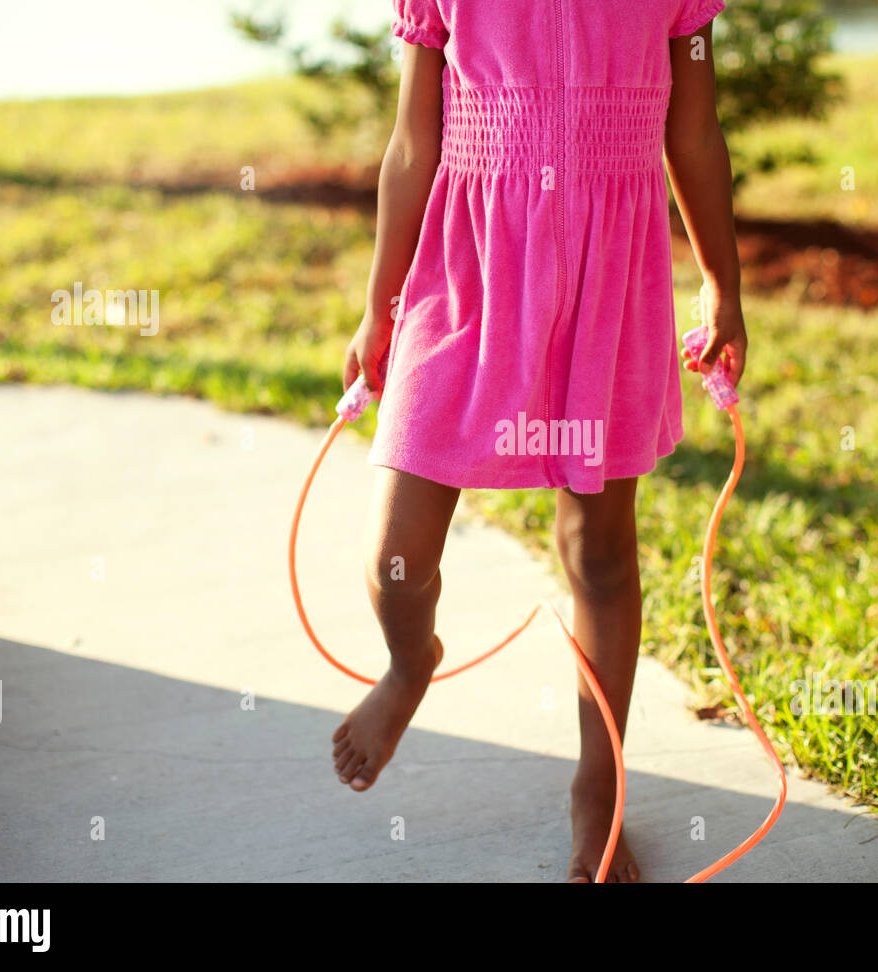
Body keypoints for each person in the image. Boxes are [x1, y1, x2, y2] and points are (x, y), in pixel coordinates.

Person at [332, 0, 747, 883]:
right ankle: (412, 665)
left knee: (599, 551)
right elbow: (412, 142)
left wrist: (721, 279)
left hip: (610, 275)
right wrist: (379, 304)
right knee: (393, 558)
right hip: (466, 270)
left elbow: (697, 128)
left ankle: (598, 793)